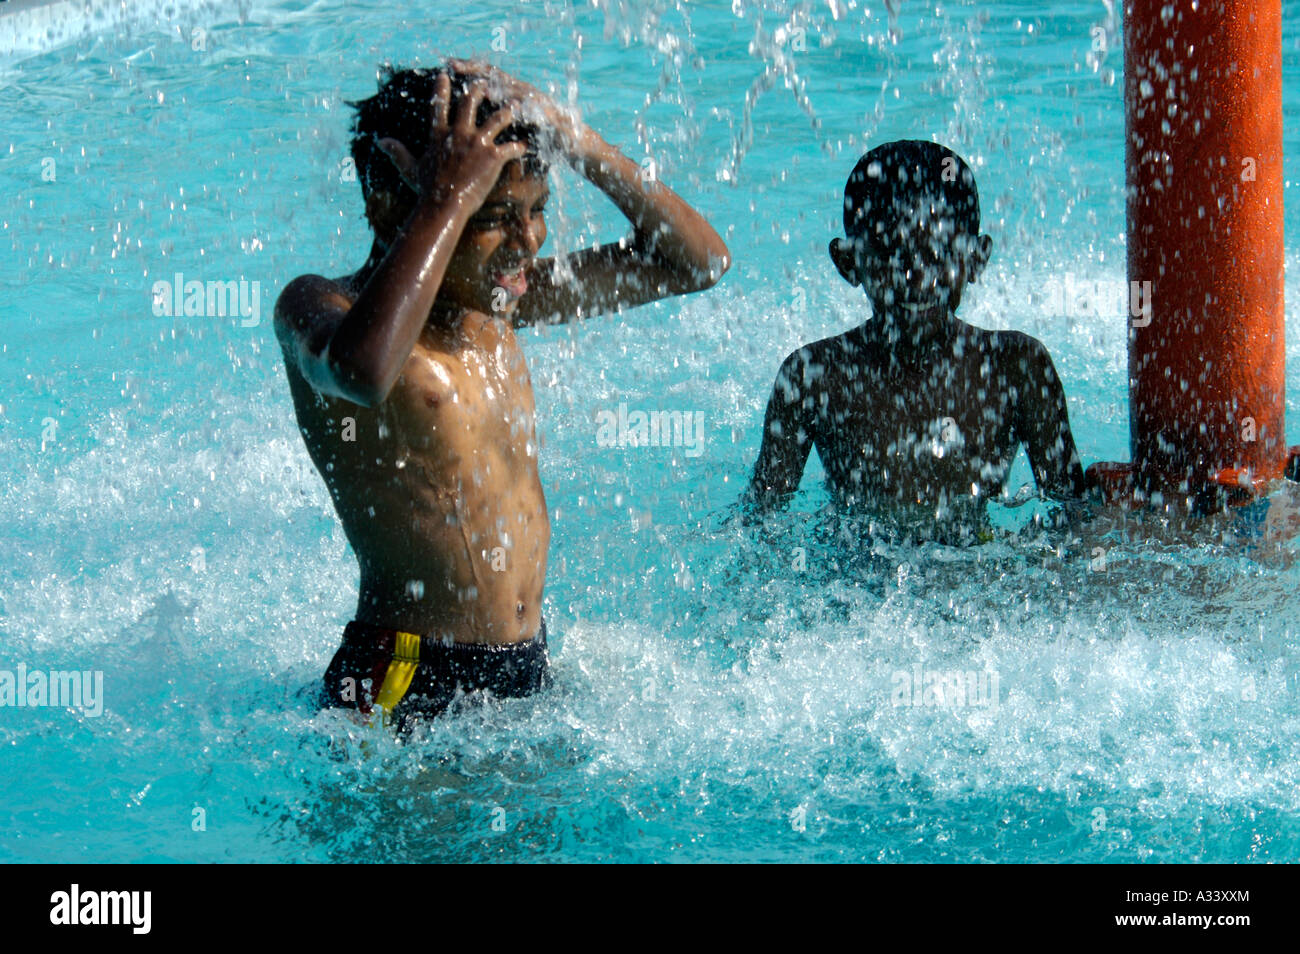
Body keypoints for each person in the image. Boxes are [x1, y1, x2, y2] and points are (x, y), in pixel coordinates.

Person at [274, 61, 730, 728]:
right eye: (493, 215)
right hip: (405, 671)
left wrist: (580, 142)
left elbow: (697, 263)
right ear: (389, 201)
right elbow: (364, 373)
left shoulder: (497, 308)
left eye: (537, 211)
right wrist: (447, 202)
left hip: (524, 665)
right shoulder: (319, 306)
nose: (527, 241)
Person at [747, 140, 1083, 542]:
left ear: (976, 259)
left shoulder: (1016, 367)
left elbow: (1072, 515)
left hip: (974, 576)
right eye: (892, 253)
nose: (916, 277)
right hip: (857, 582)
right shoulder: (814, 377)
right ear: (849, 263)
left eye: (938, 253)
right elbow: (759, 523)